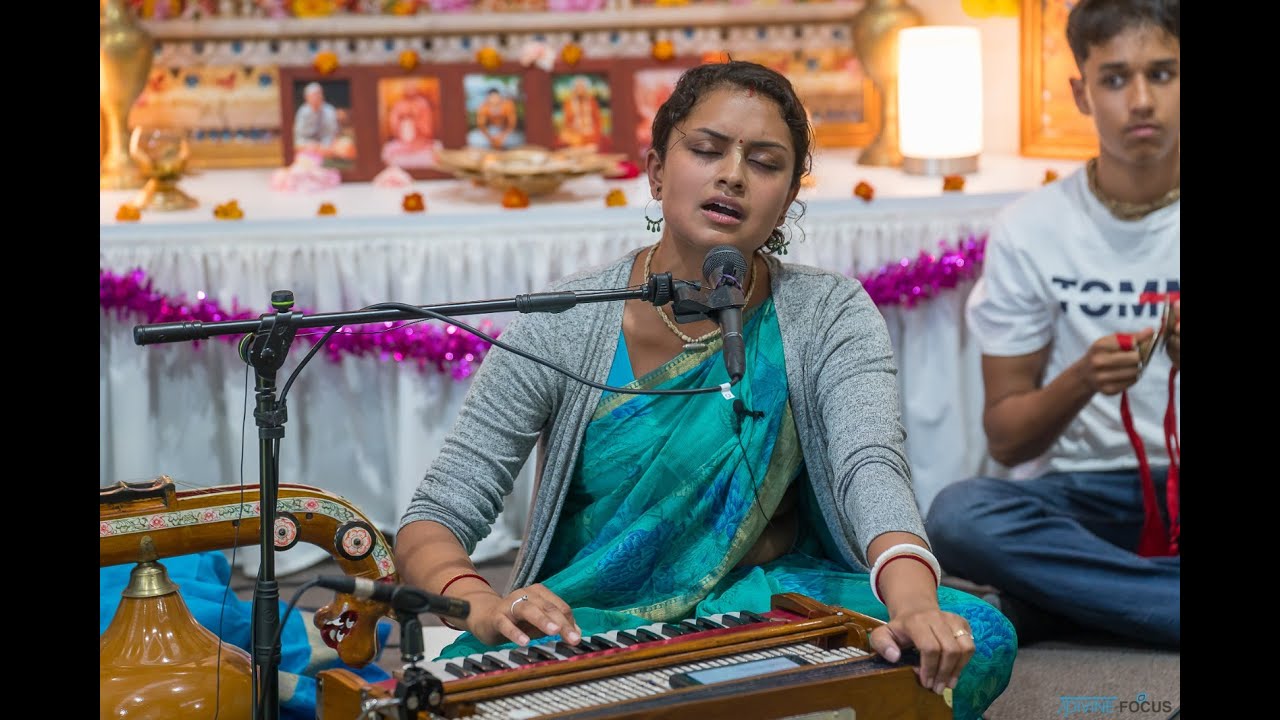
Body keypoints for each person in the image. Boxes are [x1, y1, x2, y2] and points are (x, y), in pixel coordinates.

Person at [395, 61, 1014, 720]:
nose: (733, 175)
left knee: (978, 636)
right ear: (657, 169)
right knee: (445, 692)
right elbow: (437, 512)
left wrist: (915, 603)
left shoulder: (829, 311)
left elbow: (872, 467)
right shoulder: (564, 320)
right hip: (591, 621)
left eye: (766, 162)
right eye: (707, 149)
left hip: (777, 604)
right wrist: (483, 603)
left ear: (787, 198)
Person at [925, 0, 1180, 649]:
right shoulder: (1032, 228)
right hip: (1083, 499)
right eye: (1117, 78)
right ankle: (1138, 600)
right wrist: (1081, 380)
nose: (1142, 100)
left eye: (1164, 73)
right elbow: (1007, 439)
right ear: (1083, 92)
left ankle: (1069, 604)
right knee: (960, 515)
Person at [381, 91, 438, 169]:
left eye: (412, 116)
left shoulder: (436, 148)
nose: (407, 122)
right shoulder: (389, 150)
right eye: (401, 117)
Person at [293, 81, 340, 157]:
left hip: (326, 144)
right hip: (307, 143)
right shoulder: (302, 111)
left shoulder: (329, 110)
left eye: (318, 94)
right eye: (313, 95)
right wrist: (312, 145)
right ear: (307, 97)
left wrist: (323, 145)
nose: (316, 97)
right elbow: (299, 134)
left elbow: (333, 133)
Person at [558, 75, 605, 149]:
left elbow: (598, 121)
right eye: (577, 87)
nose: (580, 89)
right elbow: (566, 123)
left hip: (591, 137)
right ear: (573, 89)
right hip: (575, 138)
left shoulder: (592, 102)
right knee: (565, 136)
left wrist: (594, 136)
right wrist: (574, 136)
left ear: (586, 89)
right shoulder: (568, 103)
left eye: (582, 87)